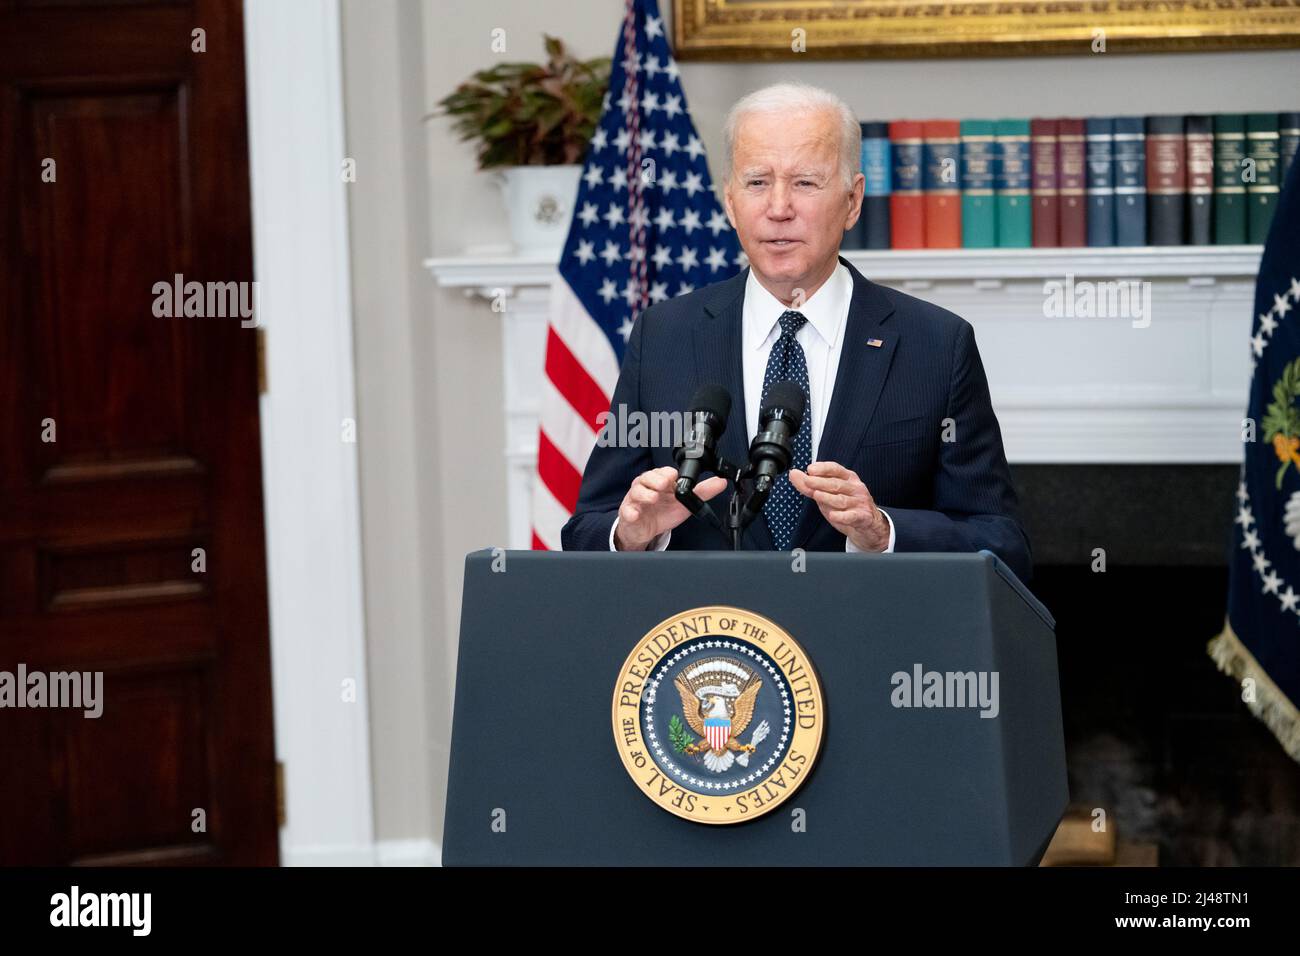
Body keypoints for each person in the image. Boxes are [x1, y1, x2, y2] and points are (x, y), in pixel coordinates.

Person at [560, 81, 1032, 584]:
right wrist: (635, 534)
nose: (778, 207)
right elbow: (586, 530)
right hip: (713, 650)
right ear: (729, 201)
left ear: (852, 201)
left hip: (870, 648)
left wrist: (883, 532)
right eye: (757, 182)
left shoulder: (936, 345)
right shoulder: (664, 337)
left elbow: (1003, 546)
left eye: (806, 183)